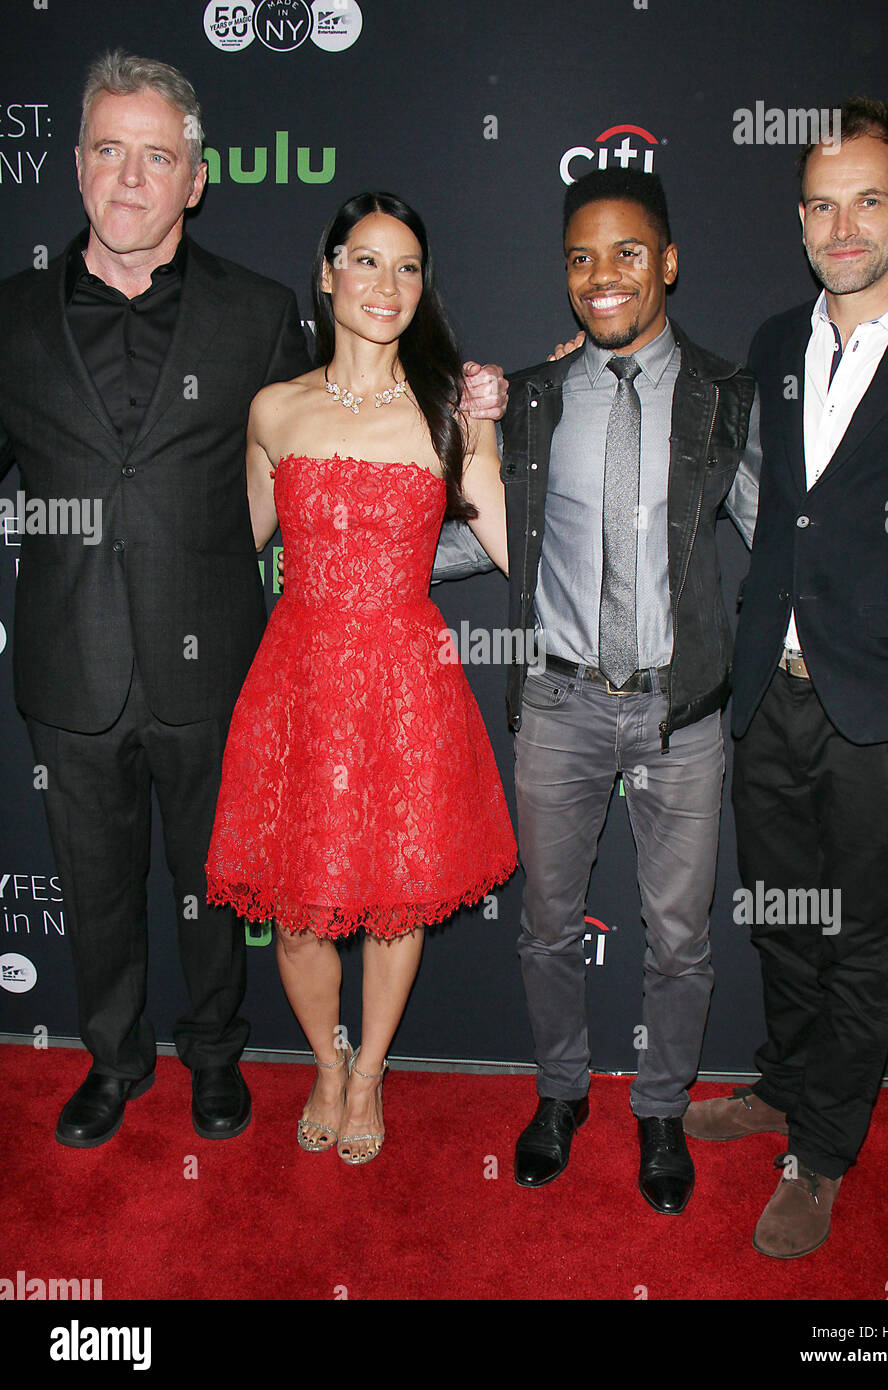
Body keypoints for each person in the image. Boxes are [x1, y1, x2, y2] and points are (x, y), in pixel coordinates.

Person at [0, 51, 506, 1150]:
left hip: (219, 661)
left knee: (228, 888)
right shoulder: (11, 317)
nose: (130, 179)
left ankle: (219, 1058)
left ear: (196, 177)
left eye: (157, 156)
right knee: (102, 889)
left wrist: (507, 410)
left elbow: (395, 469)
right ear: (76, 161)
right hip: (74, 652)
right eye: (107, 150)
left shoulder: (255, 311)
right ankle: (112, 1060)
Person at [684, 99, 888, 1257]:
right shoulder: (772, 342)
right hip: (773, 692)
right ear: (799, 218)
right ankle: (784, 1081)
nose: (842, 224)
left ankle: (820, 1152)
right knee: (780, 919)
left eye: (867, 200)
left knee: (859, 939)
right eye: (820, 203)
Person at [205, 191, 517, 1164]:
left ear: (424, 289)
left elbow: (516, 544)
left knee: (394, 899)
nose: (387, 283)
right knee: (296, 911)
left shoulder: (450, 413)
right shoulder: (275, 409)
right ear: (329, 272)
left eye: (408, 266)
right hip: (296, 683)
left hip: (403, 687)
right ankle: (327, 1060)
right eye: (367, 261)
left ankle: (372, 1068)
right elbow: (227, 551)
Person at [502, 167, 760, 1213]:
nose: (600, 276)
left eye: (623, 253)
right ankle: (561, 1091)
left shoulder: (725, 397)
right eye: (579, 257)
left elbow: (781, 532)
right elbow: (468, 531)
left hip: (680, 711)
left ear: (668, 262)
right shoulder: (529, 399)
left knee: (679, 938)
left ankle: (660, 1108)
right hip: (559, 704)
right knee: (546, 925)